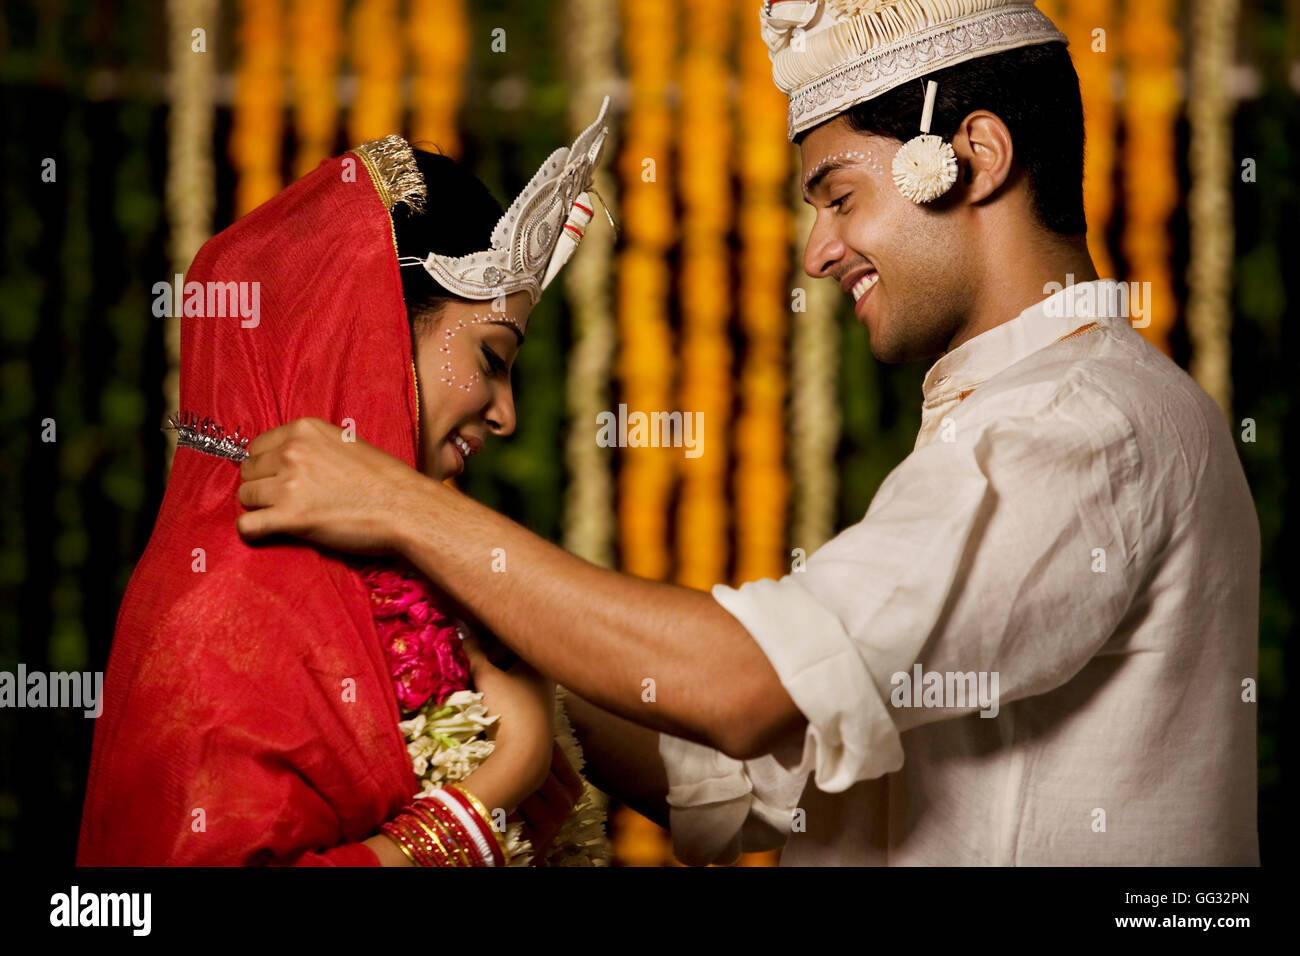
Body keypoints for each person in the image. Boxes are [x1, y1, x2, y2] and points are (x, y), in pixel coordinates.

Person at [235, 0, 1259, 865]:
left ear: (972, 156)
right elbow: (740, 787)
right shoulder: (1017, 412)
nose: (818, 251)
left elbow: (741, 689)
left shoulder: (1078, 423)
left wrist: (402, 508)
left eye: (839, 196)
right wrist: (476, 634)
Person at [78, 103, 610, 865]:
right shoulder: (225, 602)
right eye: (491, 359)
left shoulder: (419, 584)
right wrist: (485, 800)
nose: (507, 416)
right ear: (371, 330)